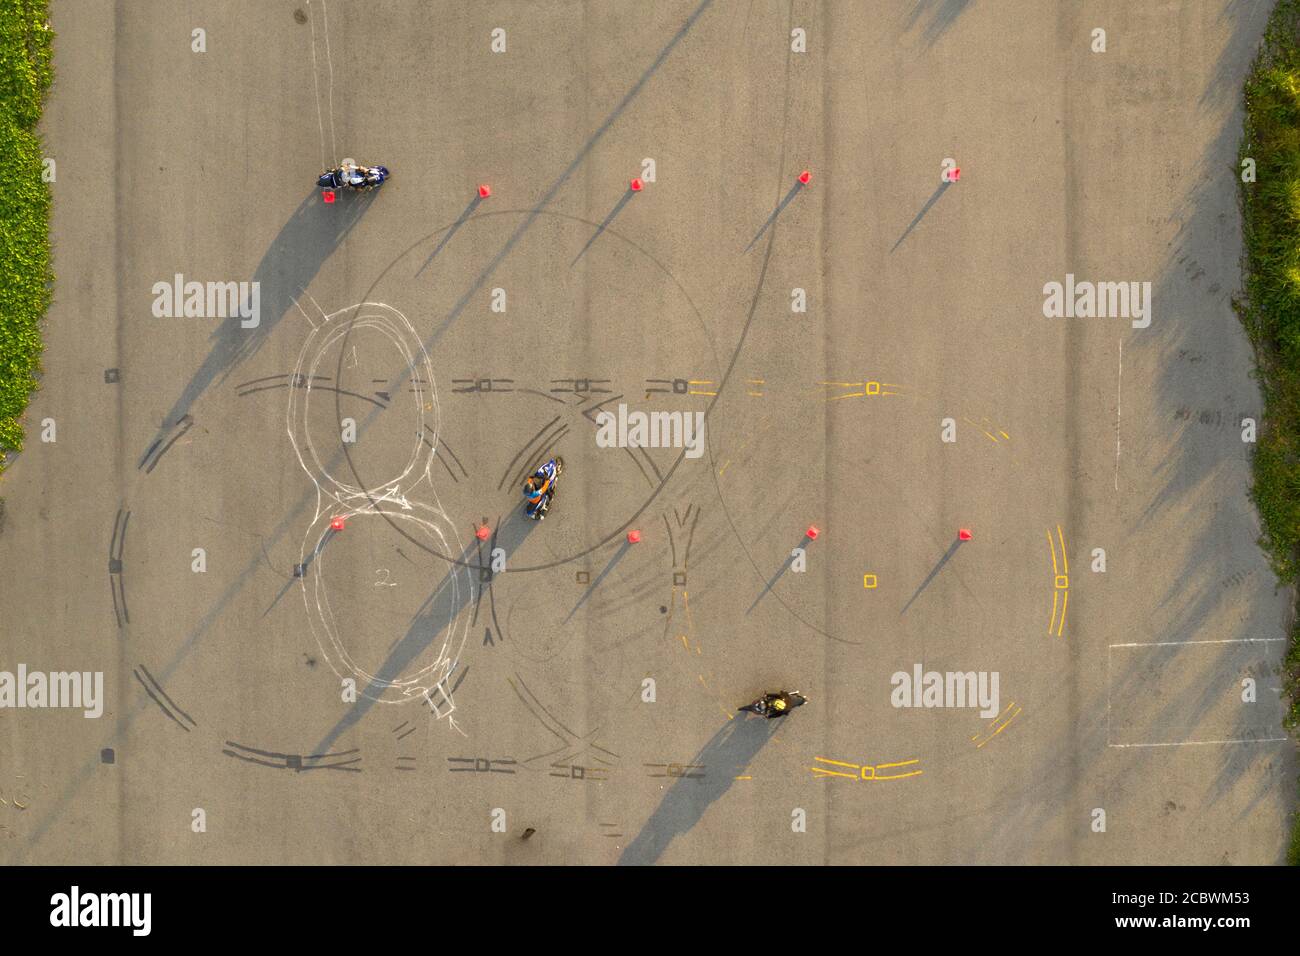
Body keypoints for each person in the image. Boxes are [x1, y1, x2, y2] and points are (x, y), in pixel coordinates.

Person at [739, 690, 808, 718]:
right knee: (786, 693)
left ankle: (802, 701)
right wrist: (767, 695)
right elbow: (776, 695)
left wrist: (769, 716)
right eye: (775, 702)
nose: (774, 703)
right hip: (788, 698)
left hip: (791, 704)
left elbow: (777, 715)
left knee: (794, 705)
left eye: (775, 705)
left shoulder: (784, 710)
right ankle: (795, 693)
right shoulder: (782, 697)